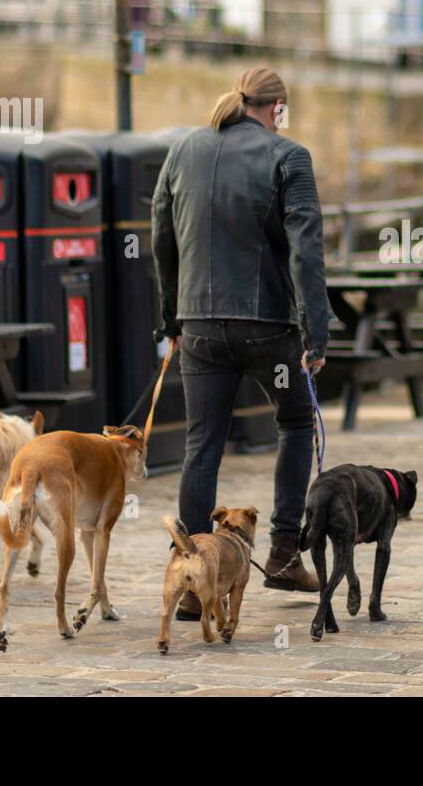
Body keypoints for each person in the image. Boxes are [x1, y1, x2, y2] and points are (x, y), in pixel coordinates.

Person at [152, 66, 329, 619]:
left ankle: (189, 583)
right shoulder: (289, 157)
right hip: (268, 326)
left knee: (202, 446)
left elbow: (161, 237)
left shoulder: (182, 149)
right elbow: (306, 249)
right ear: (277, 107)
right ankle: (281, 554)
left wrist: (172, 321)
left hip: (199, 325)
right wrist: (315, 331)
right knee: (296, 422)